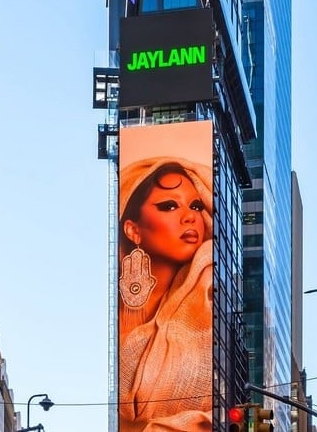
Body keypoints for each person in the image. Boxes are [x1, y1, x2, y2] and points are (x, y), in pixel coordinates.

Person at [118, 157, 214, 431]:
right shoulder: (110, 318)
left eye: (196, 205)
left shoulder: (210, 305)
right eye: (169, 205)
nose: (190, 216)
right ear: (133, 230)